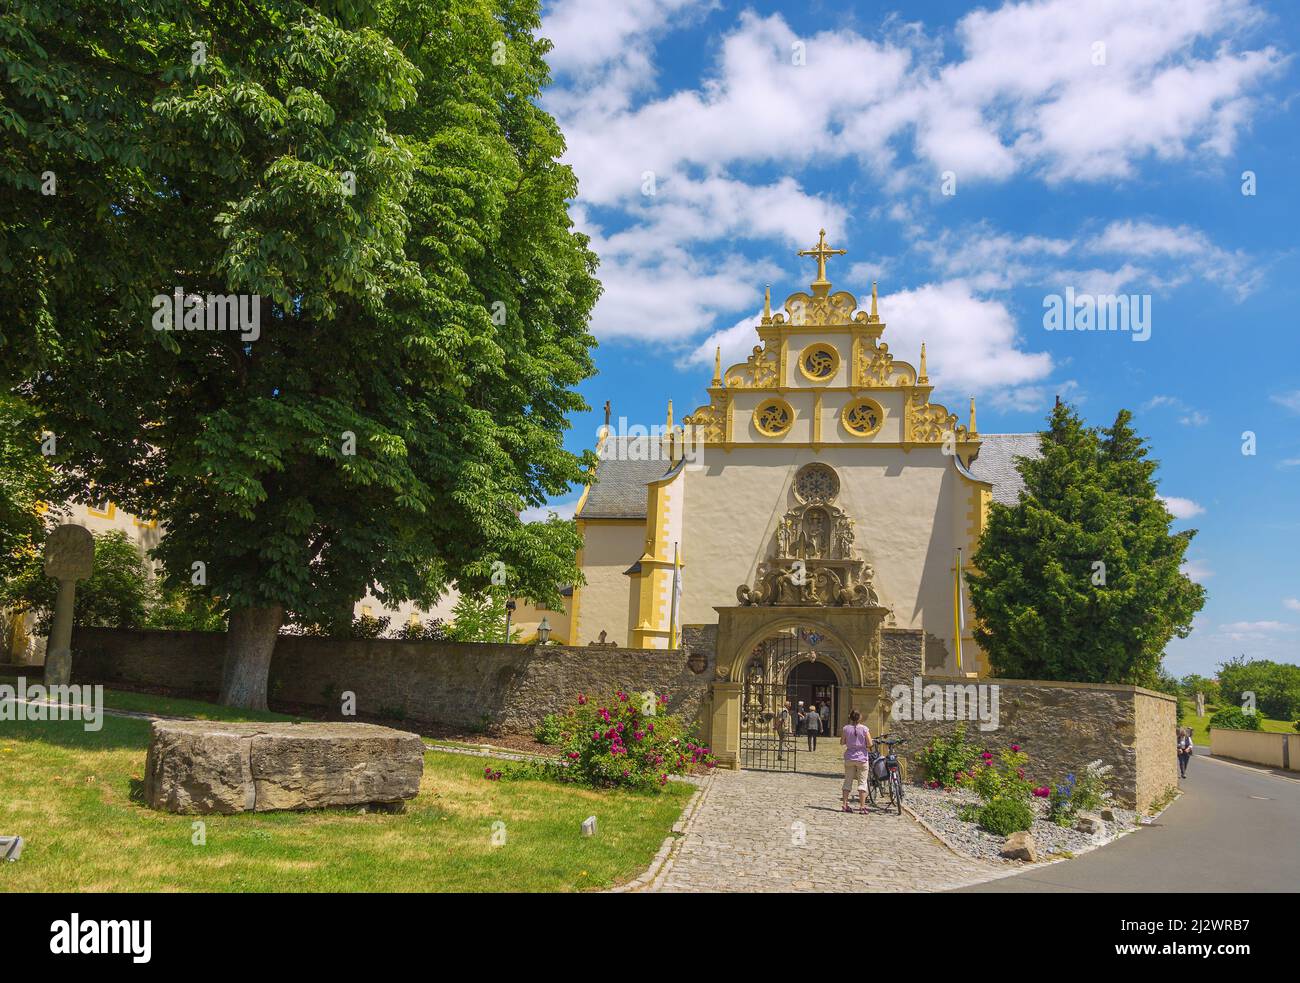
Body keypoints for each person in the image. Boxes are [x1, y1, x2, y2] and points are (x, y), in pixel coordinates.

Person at [841, 709, 873, 814]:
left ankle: (845, 805)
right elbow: (869, 743)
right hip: (862, 758)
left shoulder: (846, 729)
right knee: (862, 782)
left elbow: (842, 742)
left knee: (847, 781)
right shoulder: (864, 729)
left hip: (849, 757)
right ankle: (862, 806)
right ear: (860, 718)